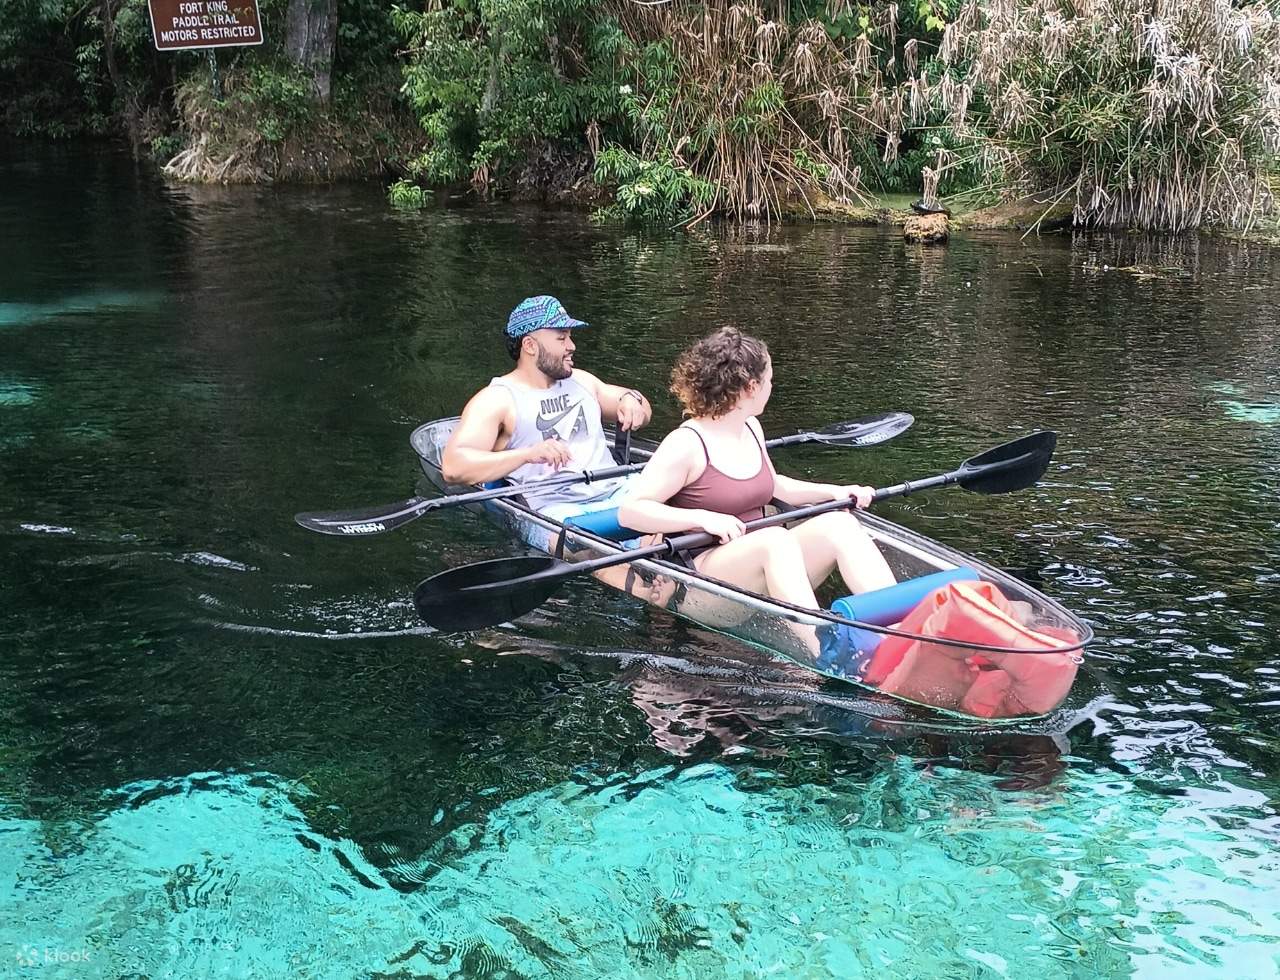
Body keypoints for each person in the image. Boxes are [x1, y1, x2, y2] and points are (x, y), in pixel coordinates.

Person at [617, 327, 897, 656]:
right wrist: (703, 517)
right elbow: (630, 511)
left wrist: (833, 492)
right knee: (774, 539)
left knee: (840, 524)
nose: (771, 388)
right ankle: (822, 652)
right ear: (751, 388)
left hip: (760, 566)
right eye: (769, 381)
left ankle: (896, 635)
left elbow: (774, 485)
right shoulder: (686, 444)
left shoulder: (750, 426)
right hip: (700, 584)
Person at [441, 295, 653, 522]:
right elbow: (454, 467)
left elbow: (637, 405)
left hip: (619, 491)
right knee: (616, 551)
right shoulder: (497, 399)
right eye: (561, 338)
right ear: (530, 346)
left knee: (687, 517)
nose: (572, 346)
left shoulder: (582, 381)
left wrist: (632, 400)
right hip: (558, 510)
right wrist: (528, 455)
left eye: (570, 338)